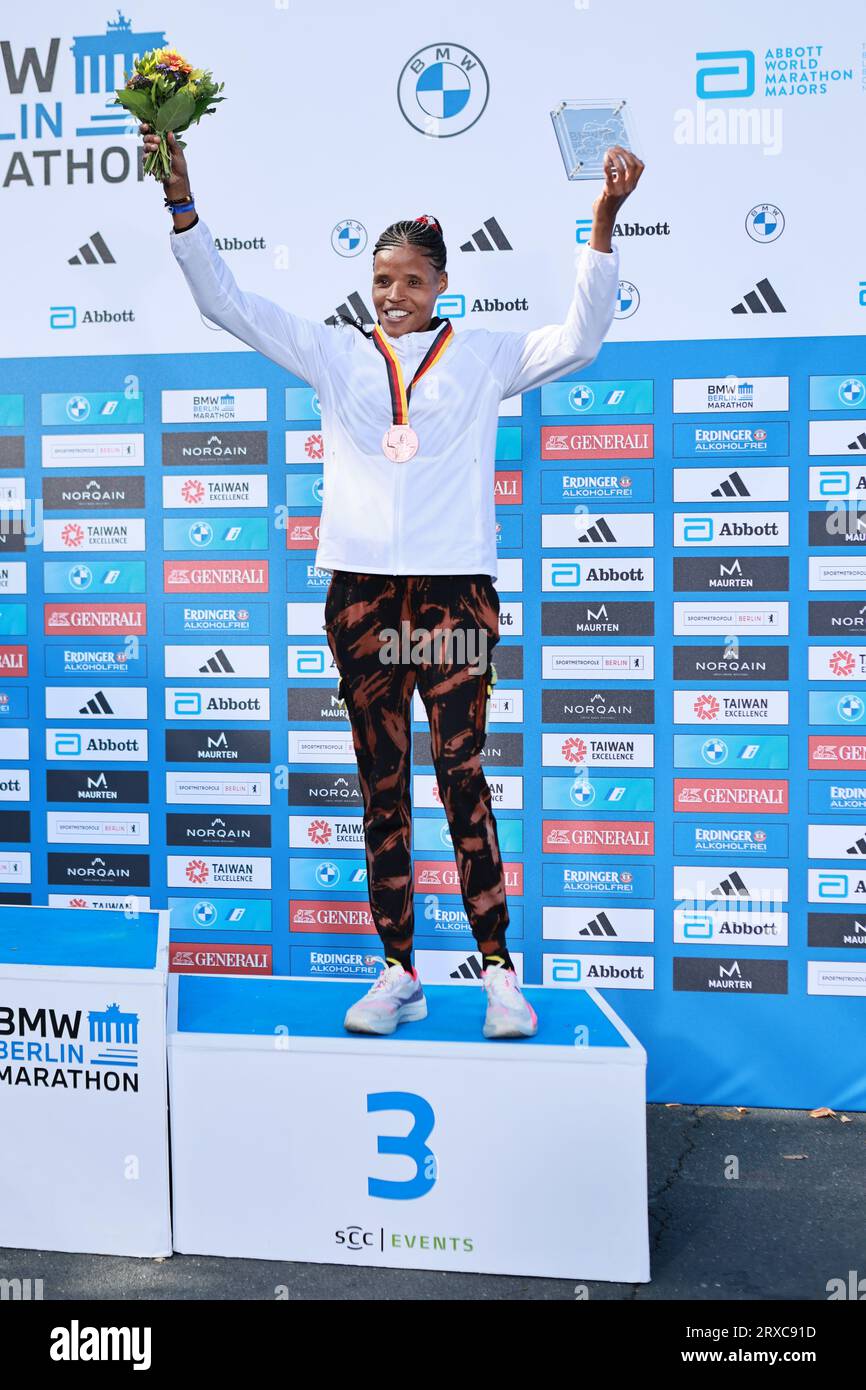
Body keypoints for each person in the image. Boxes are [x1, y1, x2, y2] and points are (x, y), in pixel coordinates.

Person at [141, 122, 644, 1040]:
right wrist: (182, 200)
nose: (395, 295)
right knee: (382, 781)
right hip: (364, 596)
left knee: (461, 773)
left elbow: (581, 337)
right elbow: (226, 302)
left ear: (442, 284)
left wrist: (603, 222)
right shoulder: (335, 355)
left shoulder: (487, 355)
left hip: (453, 595)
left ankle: (498, 973)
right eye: (382, 282)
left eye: (412, 280)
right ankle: (398, 971)